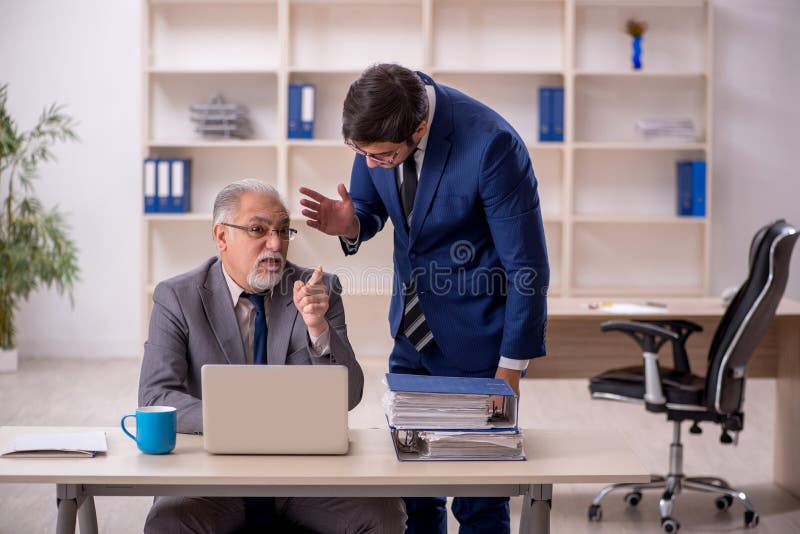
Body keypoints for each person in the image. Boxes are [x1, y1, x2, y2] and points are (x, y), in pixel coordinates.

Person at [299, 64, 549, 534]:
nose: (369, 164)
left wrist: (510, 372)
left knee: (479, 500)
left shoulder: (492, 144)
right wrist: (350, 225)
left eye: (382, 155)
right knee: (413, 488)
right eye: (360, 153)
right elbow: (373, 208)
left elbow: (527, 269)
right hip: (411, 333)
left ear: (418, 129)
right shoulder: (376, 129)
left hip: (479, 338)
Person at [138, 179, 406, 534]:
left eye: (283, 230)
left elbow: (350, 395)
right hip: (215, 476)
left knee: (385, 514)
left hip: (304, 477)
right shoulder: (177, 297)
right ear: (221, 237)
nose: (275, 244)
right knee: (168, 521)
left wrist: (318, 329)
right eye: (257, 230)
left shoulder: (318, 290)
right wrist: (243, 419)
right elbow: (156, 396)